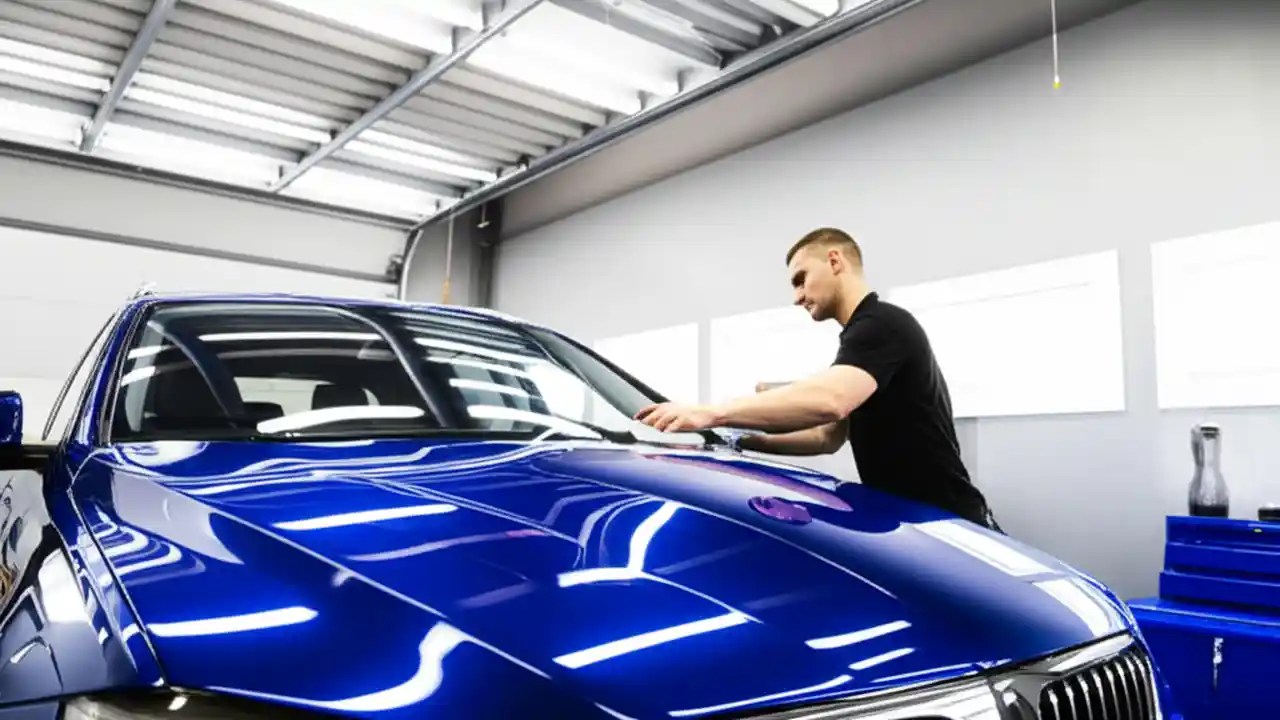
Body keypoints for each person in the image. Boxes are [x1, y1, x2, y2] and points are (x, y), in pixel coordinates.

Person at [634, 228, 1000, 530]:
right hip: (909, 520)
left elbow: (830, 401)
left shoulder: (883, 324)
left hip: (950, 519)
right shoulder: (861, 340)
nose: (797, 297)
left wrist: (711, 413)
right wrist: (737, 439)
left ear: (835, 261)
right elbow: (826, 437)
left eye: (800, 280)